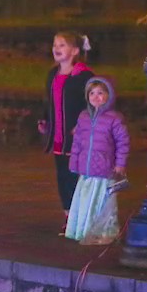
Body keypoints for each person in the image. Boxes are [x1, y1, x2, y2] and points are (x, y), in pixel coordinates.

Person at [37, 31, 96, 220]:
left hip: (76, 136)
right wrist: (45, 119)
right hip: (58, 136)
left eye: (62, 45)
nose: (56, 48)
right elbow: (50, 101)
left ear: (75, 50)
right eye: (55, 45)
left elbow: (92, 104)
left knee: (75, 176)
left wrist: (83, 124)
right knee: (62, 175)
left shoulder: (84, 76)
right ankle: (68, 215)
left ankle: (82, 216)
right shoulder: (52, 74)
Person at [64, 77, 128, 244]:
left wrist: (120, 164)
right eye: (92, 93)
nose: (96, 96)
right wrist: (74, 162)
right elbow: (78, 141)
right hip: (86, 169)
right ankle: (82, 230)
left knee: (100, 201)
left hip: (103, 169)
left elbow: (123, 143)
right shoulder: (83, 117)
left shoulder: (114, 119)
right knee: (85, 199)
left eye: (101, 93)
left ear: (109, 95)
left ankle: (102, 231)